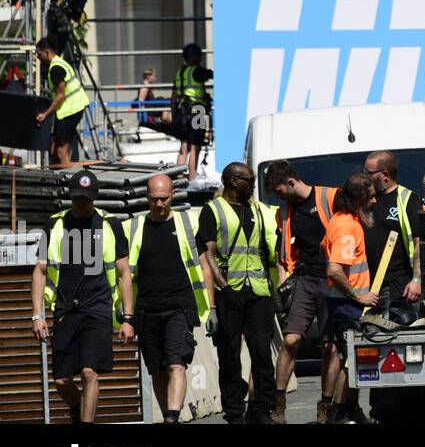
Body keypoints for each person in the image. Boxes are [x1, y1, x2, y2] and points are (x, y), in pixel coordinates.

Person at [30, 168, 135, 423]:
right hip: (65, 309)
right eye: (77, 198)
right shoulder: (55, 223)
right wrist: (37, 315)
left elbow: (124, 273)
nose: (80, 203)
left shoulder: (110, 225)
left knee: (89, 372)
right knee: (61, 379)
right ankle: (78, 408)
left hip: (98, 307)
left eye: (85, 199)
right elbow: (40, 270)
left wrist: (128, 319)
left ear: (94, 197)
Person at [197, 162, 279, 424]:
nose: (253, 185)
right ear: (233, 181)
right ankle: (234, 414)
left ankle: (262, 410)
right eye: (249, 180)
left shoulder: (257, 209)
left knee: (262, 355)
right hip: (229, 294)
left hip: (257, 292)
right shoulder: (213, 210)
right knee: (230, 358)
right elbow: (208, 254)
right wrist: (224, 288)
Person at [129, 174, 213, 424]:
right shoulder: (133, 227)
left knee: (177, 364)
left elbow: (205, 266)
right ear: (147, 197)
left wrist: (212, 306)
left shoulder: (189, 224)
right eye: (154, 199)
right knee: (157, 370)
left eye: (164, 199)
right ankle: (168, 415)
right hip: (147, 310)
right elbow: (124, 274)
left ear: (172, 196)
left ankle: (172, 419)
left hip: (179, 306)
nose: (159, 204)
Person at [266, 159, 339, 425]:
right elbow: (282, 252)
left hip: (333, 282)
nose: (277, 197)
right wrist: (285, 283)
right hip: (305, 281)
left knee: (330, 347)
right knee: (291, 341)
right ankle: (279, 404)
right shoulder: (285, 212)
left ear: (291, 182)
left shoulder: (330, 197)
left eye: (278, 191)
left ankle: (325, 407)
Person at [321, 171, 380, 424]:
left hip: (345, 303)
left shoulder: (346, 220)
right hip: (347, 305)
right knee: (354, 360)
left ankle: (349, 409)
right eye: (372, 197)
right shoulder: (346, 226)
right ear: (359, 199)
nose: (375, 201)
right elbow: (334, 269)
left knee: (353, 359)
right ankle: (337, 412)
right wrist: (359, 296)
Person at [363, 151, 422, 303]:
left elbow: (419, 243)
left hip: (396, 283)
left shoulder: (407, 199)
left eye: (368, 172)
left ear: (385, 174)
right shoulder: (366, 198)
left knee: (392, 325)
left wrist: (417, 280)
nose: (364, 176)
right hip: (365, 284)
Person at [34, 36, 89, 165]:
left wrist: (45, 114)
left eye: (38, 53)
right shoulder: (60, 62)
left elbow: (61, 96)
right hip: (69, 110)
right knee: (53, 147)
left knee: (61, 151)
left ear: (47, 52)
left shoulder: (56, 69)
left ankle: (68, 181)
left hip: (70, 111)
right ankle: (54, 179)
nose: (37, 57)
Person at [173, 44, 213, 181]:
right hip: (198, 111)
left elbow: (174, 96)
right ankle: (192, 178)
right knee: (196, 146)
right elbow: (211, 74)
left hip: (183, 110)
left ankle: (178, 176)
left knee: (184, 145)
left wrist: (174, 116)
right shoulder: (197, 71)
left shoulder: (180, 72)